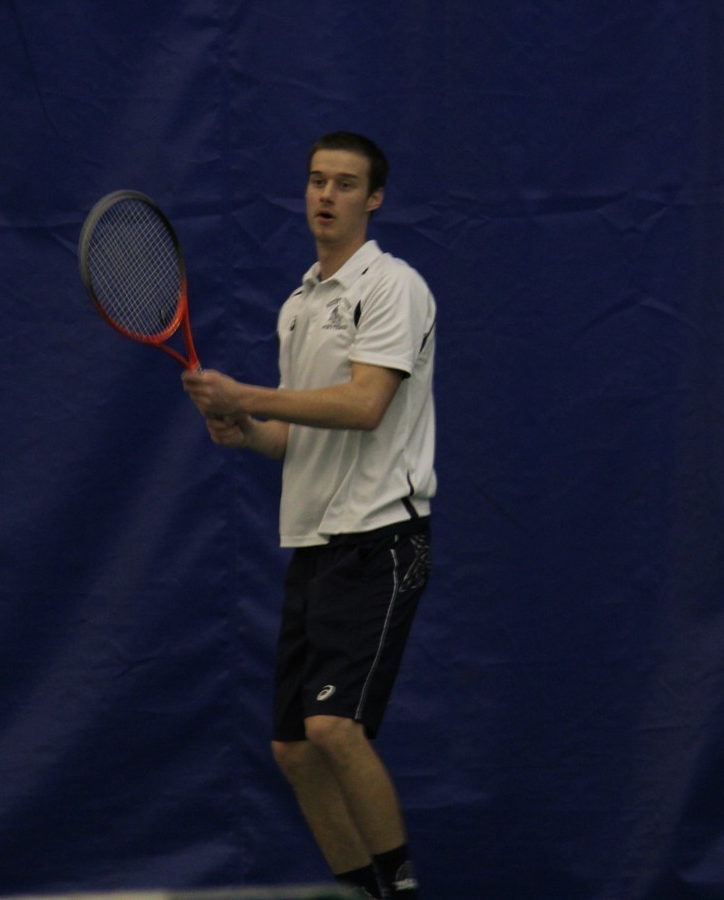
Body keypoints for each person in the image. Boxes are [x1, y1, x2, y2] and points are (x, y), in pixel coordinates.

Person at [182, 131, 435, 899]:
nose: (326, 195)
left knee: (333, 727)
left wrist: (249, 394)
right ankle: (361, 893)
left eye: (346, 184)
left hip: (381, 536)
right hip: (315, 542)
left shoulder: (392, 286)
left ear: (374, 198)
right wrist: (246, 429)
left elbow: (364, 405)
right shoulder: (298, 305)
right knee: (294, 748)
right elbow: (300, 437)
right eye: (317, 180)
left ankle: (404, 892)